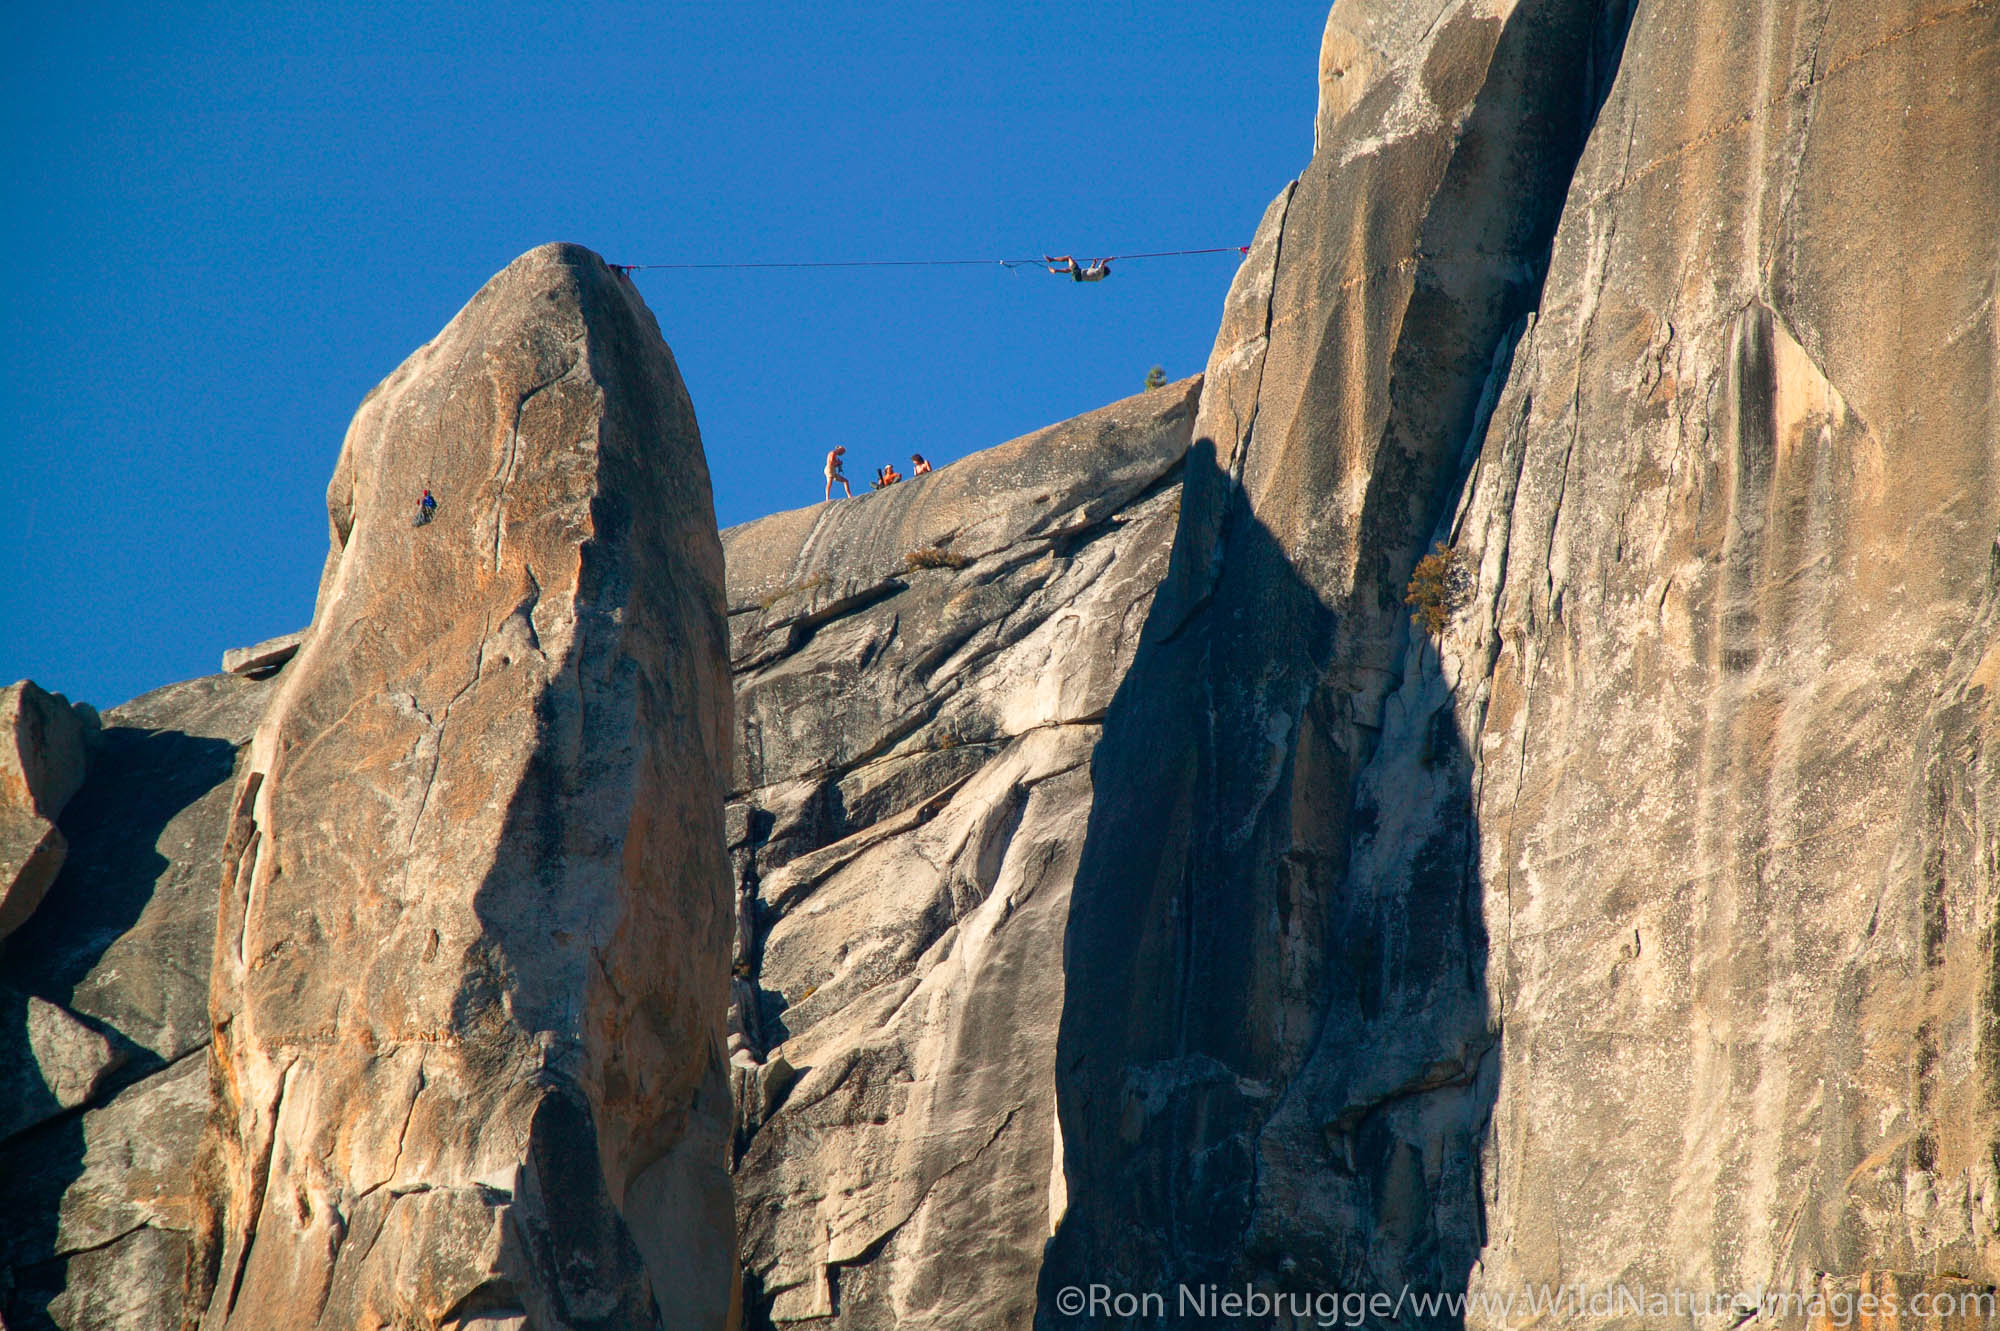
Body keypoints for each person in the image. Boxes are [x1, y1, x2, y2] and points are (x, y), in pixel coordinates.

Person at [1045, 254, 1112, 282]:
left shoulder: (1100, 271)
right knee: (1071, 269)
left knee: (1068, 257)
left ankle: (1051, 259)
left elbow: (1103, 261)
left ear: (1104, 270)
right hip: (1077, 278)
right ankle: (1055, 270)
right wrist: (1094, 263)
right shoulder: (1099, 277)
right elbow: (1090, 271)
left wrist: (1110, 258)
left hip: (1079, 273)